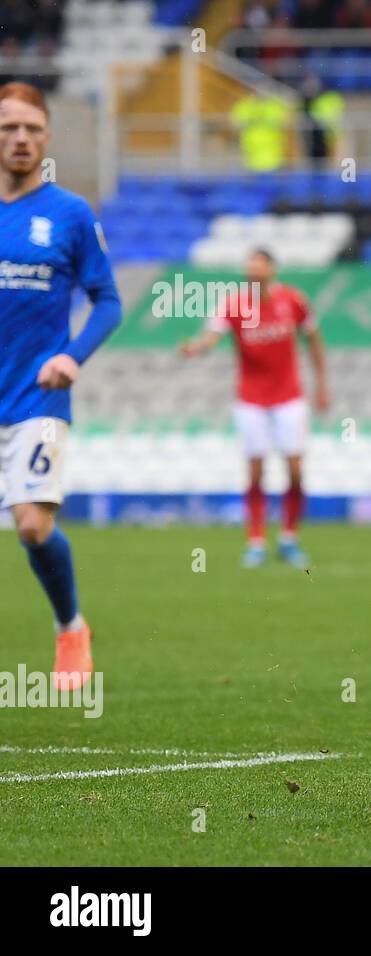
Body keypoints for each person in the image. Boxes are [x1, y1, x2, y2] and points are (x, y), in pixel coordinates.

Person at [0, 82, 122, 689]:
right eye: (9, 128)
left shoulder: (69, 213)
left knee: (31, 525)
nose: (20, 138)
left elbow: (108, 301)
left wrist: (72, 356)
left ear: (45, 137)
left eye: (31, 129)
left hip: (37, 397)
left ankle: (70, 625)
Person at [180, 249, 329, 569]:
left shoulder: (293, 300)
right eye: (249, 268)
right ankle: (257, 541)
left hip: (289, 396)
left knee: (295, 470)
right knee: (256, 470)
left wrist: (322, 385)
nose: (253, 272)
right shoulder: (234, 304)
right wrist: (196, 348)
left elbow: (314, 340)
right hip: (251, 399)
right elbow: (212, 336)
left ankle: (289, 537)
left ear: (271, 269)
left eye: (258, 266)